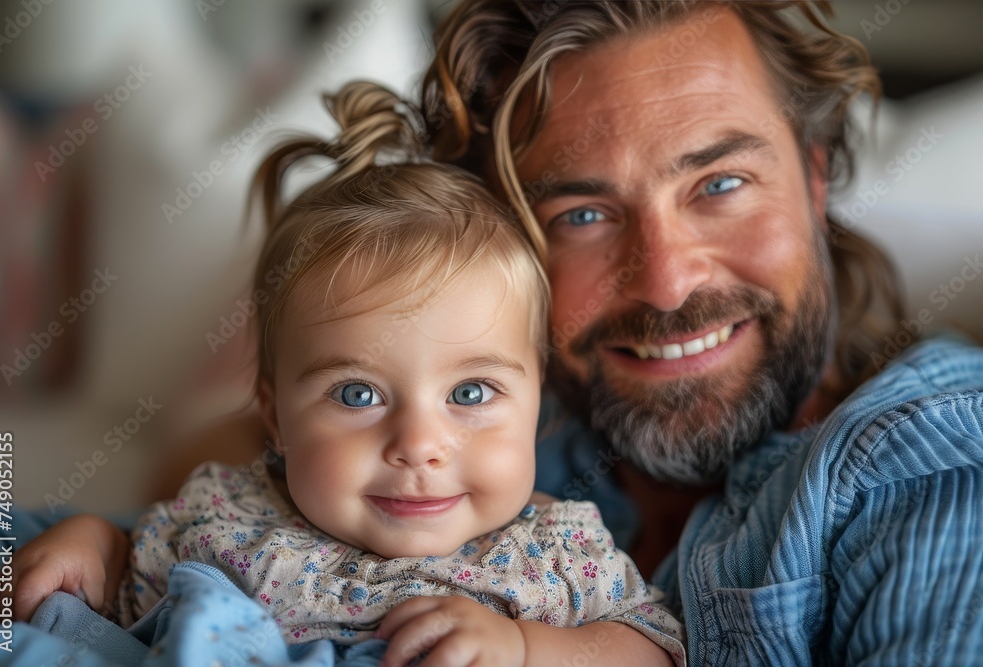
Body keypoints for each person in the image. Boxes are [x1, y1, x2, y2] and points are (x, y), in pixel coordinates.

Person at [0, 82, 685, 667]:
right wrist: (95, 543)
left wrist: (530, 648)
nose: (418, 443)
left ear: (538, 401)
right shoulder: (230, 516)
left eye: (470, 393)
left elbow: (655, 647)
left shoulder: (556, 552)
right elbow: (132, 566)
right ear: (275, 414)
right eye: (357, 393)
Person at [415, 1, 983, 665]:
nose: (666, 282)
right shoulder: (451, 453)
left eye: (720, 182)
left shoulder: (934, 464)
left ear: (815, 178)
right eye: (583, 214)